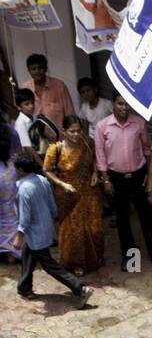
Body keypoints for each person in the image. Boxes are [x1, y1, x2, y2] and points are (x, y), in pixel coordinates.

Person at [12, 150, 93, 306]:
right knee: (28, 255)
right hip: (45, 228)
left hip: (35, 234)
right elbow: (52, 205)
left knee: (49, 265)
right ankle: (24, 287)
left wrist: (19, 236)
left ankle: (80, 288)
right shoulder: (42, 180)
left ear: (20, 170)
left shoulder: (23, 190)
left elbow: (25, 218)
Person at [94, 93, 152, 271]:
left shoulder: (139, 123)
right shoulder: (102, 126)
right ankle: (131, 260)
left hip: (138, 176)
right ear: (113, 104)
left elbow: (147, 150)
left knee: (146, 217)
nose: (124, 108)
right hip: (115, 178)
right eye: (120, 104)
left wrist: (149, 174)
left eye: (127, 104)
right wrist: (106, 180)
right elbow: (100, 155)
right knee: (123, 219)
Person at [42, 114, 104, 274]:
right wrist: (62, 184)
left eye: (78, 131)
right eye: (72, 131)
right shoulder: (55, 149)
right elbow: (46, 170)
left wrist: (95, 173)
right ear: (64, 131)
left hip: (89, 193)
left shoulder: (88, 143)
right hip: (68, 196)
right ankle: (76, 263)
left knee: (94, 227)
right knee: (73, 230)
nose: (76, 135)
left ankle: (95, 258)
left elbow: (96, 159)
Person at [24, 53, 74, 131]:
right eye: (33, 69)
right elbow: (23, 116)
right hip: (35, 140)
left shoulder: (59, 86)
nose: (37, 71)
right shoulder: (25, 88)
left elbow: (70, 114)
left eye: (40, 68)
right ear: (29, 70)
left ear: (46, 68)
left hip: (59, 140)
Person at [0, 128, 20, 261]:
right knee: (9, 211)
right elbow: (18, 151)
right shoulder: (9, 130)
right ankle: (11, 252)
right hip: (8, 170)